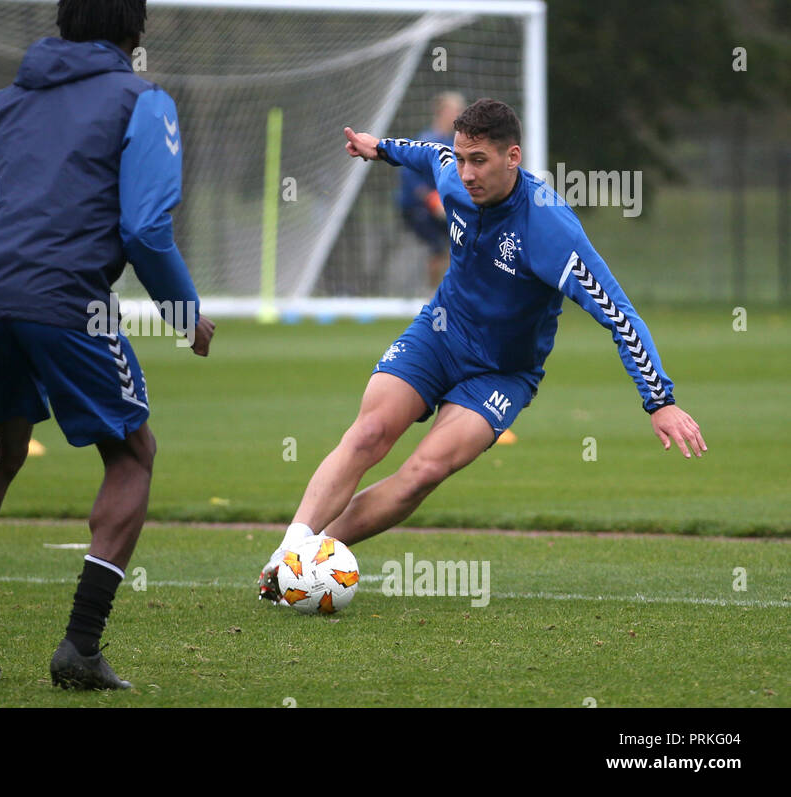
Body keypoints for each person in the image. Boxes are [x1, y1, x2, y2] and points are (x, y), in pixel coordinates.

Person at [258, 98, 706, 599]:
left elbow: (620, 316)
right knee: (368, 434)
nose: (466, 173)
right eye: (462, 158)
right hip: (440, 334)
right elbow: (429, 156)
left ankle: (309, 562)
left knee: (423, 472)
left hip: (502, 373)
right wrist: (379, 148)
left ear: (512, 157)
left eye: (480, 161)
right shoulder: (454, 175)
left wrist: (659, 400)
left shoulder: (551, 230)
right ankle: (287, 554)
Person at [0, 0, 214, 690]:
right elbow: (143, 226)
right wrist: (184, 313)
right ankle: (80, 647)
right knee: (132, 452)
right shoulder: (143, 101)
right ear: (134, 37)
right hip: (67, 300)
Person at [399, 92, 465, 291]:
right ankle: (434, 297)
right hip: (418, 207)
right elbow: (408, 174)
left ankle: (447, 296)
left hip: (444, 206)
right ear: (442, 112)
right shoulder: (427, 140)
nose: (460, 114)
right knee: (439, 248)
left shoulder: (457, 143)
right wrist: (429, 197)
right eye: (456, 110)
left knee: (459, 246)